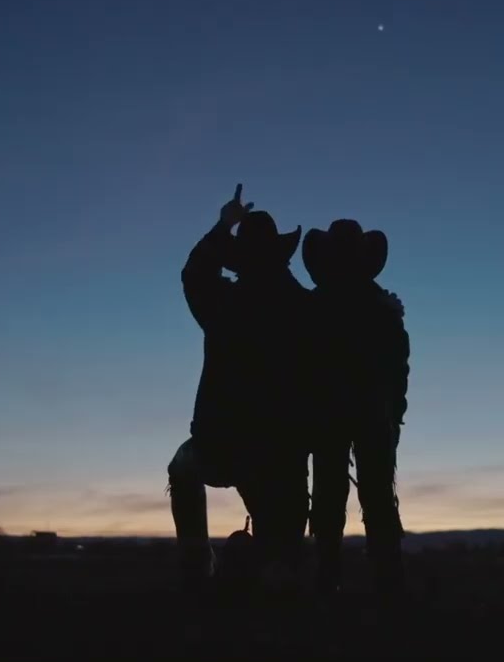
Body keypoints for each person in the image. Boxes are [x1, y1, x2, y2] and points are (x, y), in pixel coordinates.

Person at [167, 184, 313, 594]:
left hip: (223, 443)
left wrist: (223, 225)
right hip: (281, 451)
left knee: (183, 466)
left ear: (241, 261)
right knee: (280, 558)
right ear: (282, 256)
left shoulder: (223, 303)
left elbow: (194, 273)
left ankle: (198, 566)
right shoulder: (304, 307)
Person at [303, 219, 410, 599]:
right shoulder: (382, 307)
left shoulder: (313, 306)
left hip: (330, 414)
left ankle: (329, 576)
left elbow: (300, 363)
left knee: (331, 496)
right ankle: (386, 579)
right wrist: (394, 410)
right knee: (377, 497)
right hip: (370, 414)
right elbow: (399, 365)